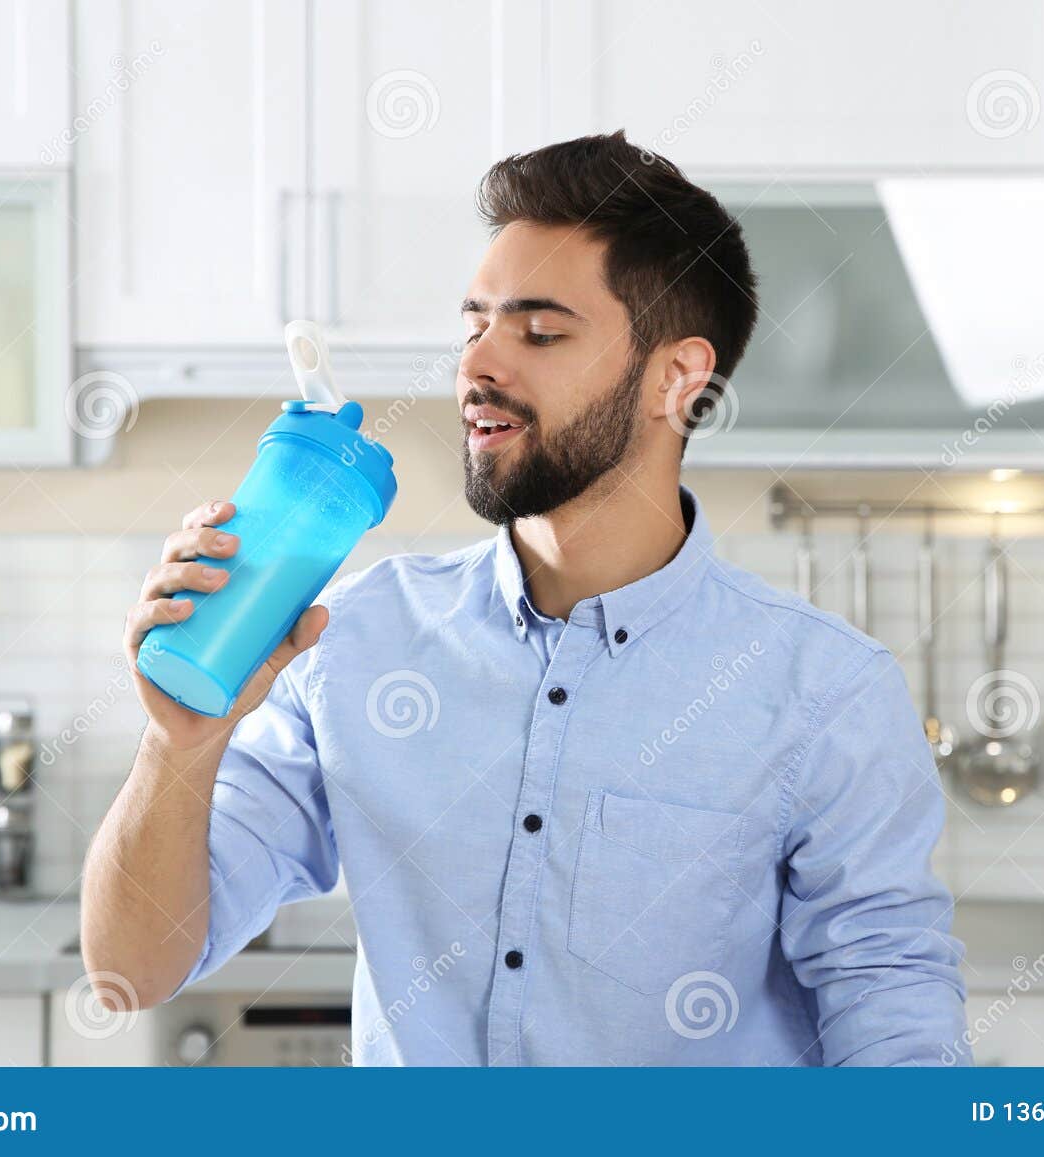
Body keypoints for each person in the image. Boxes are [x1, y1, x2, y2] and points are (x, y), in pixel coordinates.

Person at [82, 131, 968, 1066]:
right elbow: (131, 973)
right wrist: (180, 743)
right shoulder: (348, 638)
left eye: (539, 332)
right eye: (474, 327)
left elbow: (892, 1013)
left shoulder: (822, 689)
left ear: (678, 376)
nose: (478, 366)